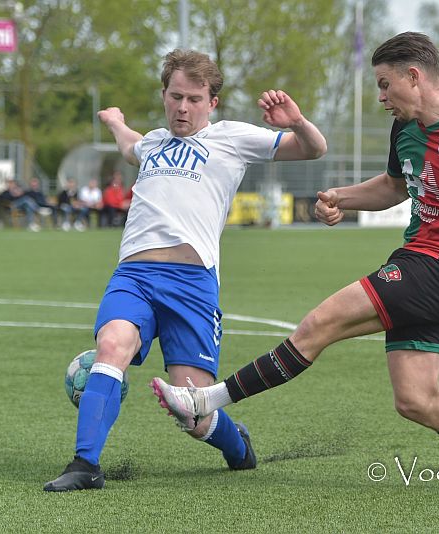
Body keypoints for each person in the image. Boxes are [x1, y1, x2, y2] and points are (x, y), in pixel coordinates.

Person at [153, 33, 439, 496]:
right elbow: (394, 188)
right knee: (417, 400)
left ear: (413, 77)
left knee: (320, 323)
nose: (381, 97)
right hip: (418, 261)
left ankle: (204, 400)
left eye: (384, 85)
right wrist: (342, 197)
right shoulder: (405, 128)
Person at [43, 49, 326, 492]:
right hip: (133, 277)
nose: (183, 107)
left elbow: (313, 149)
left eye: (194, 99)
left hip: (192, 286)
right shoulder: (153, 142)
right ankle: (85, 465)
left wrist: (296, 122)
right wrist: (115, 120)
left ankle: (239, 449)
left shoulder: (232, 138)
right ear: (164, 94)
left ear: (212, 103)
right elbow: (127, 144)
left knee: (191, 410)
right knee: (112, 344)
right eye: (175, 96)